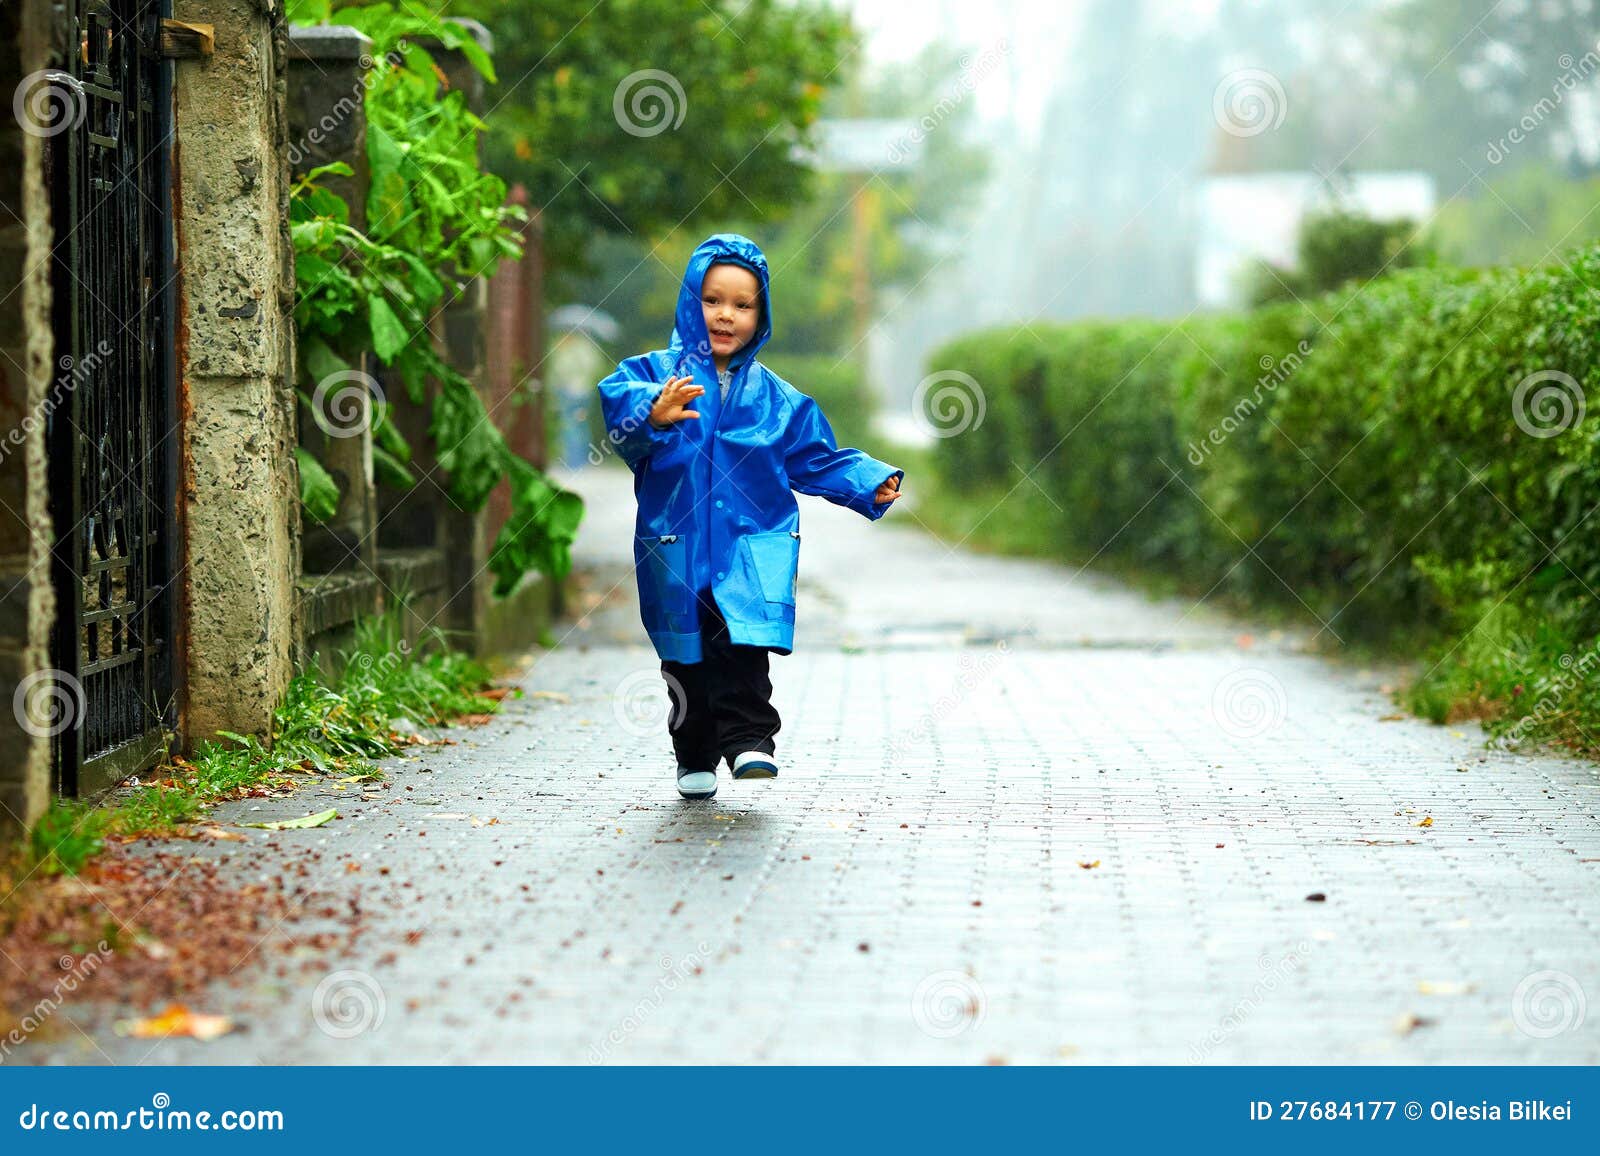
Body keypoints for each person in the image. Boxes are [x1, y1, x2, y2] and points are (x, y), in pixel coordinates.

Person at [595, 233, 904, 800]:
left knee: (742, 649)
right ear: (692, 300)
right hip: (677, 543)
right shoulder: (654, 373)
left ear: (759, 315)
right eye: (714, 300)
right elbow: (619, 410)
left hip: (748, 546)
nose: (726, 315)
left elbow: (815, 457)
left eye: (742, 304)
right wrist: (653, 413)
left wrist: (866, 481)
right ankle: (694, 754)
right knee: (683, 657)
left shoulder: (777, 399)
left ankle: (749, 741)